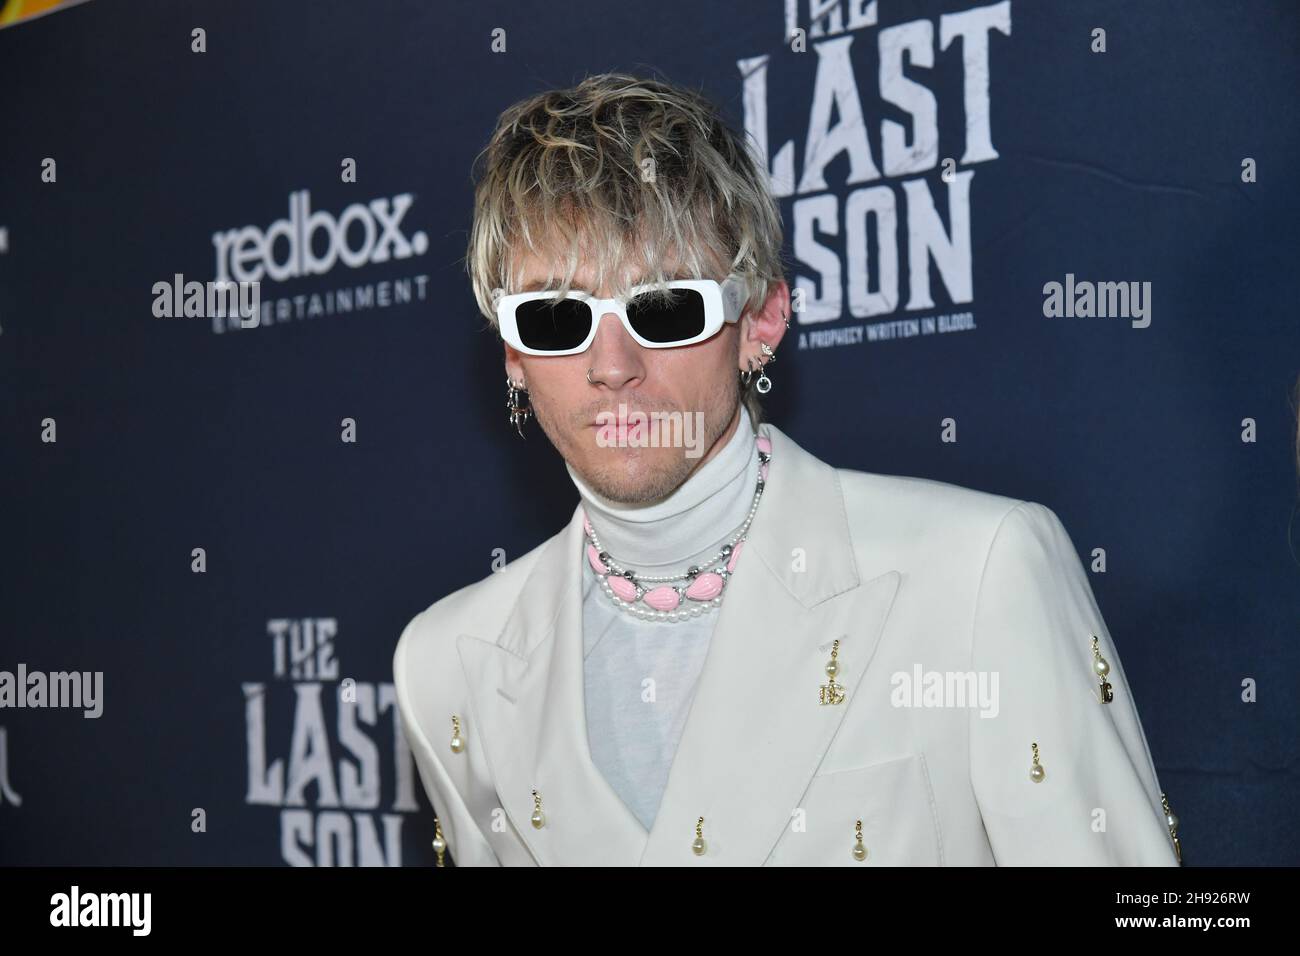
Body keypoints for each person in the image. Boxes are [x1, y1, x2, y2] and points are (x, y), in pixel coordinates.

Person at [392, 72, 1181, 866]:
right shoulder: (445, 662)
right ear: (515, 356)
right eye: (556, 316)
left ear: (762, 321)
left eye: (665, 306)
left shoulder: (977, 573)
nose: (612, 365)